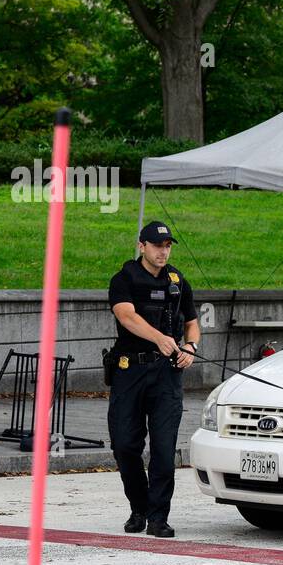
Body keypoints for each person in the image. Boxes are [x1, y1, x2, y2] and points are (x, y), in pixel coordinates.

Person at [106, 221, 200, 537]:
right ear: (142, 246)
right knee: (125, 444)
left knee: (163, 448)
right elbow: (126, 316)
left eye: (168, 246)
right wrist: (160, 338)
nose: (163, 251)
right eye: (157, 245)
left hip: (166, 375)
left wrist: (191, 347)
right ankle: (139, 507)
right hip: (130, 370)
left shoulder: (178, 281)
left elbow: (193, 324)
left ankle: (158, 517)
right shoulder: (124, 279)